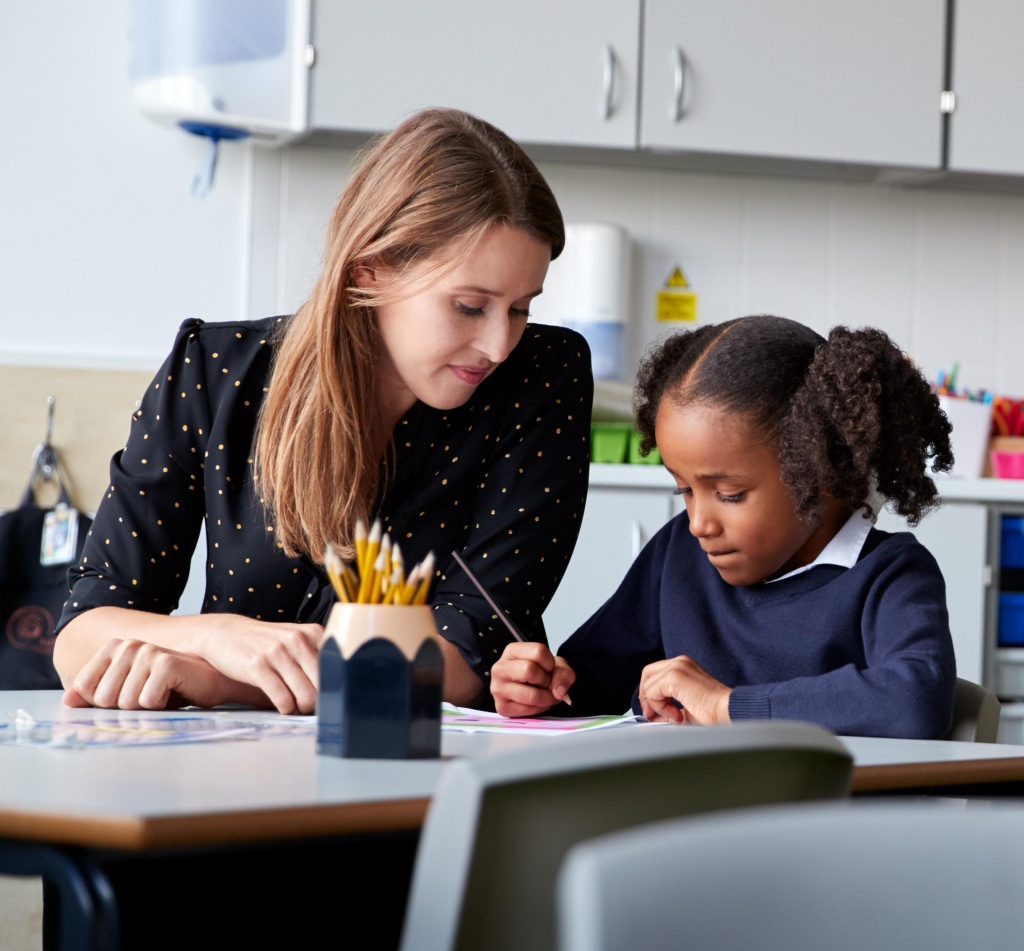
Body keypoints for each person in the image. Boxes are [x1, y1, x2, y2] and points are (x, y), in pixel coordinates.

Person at [53, 107, 593, 715]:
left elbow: (468, 655)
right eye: (470, 306)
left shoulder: (543, 376)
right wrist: (216, 636)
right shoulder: (214, 371)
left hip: (422, 768)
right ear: (371, 269)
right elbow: (81, 633)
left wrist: (225, 682)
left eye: (520, 308)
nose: (500, 345)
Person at [491, 314, 958, 738]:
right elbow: (587, 687)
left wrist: (726, 705)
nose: (698, 523)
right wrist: (537, 688)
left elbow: (915, 700)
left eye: (729, 495)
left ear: (824, 474)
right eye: (685, 491)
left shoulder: (887, 573)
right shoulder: (679, 555)